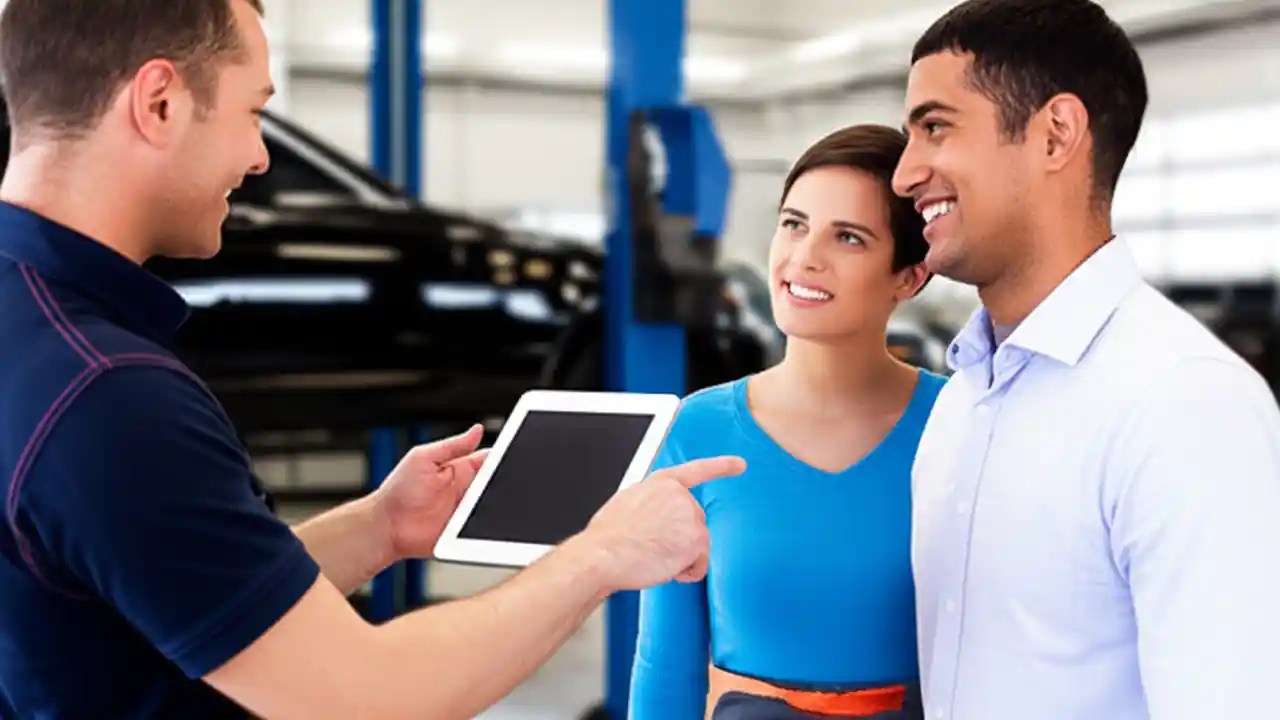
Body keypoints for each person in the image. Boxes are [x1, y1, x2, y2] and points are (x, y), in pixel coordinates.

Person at [0, 1, 747, 718]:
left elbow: (190, 586)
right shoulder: (110, 396)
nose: (258, 157)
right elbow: (370, 698)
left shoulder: (31, 326)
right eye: (253, 112)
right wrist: (604, 554)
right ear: (159, 101)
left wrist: (381, 528)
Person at [893, 1, 1280, 719]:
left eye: (935, 127)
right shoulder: (962, 399)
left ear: (1055, 135)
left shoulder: (1185, 405)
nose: (905, 173)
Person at [628, 124, 947, 720]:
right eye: (794, 224)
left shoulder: (960, 427)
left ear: (909, 276)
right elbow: (664, 663)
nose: (805, 258)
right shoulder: (698, 431)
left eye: (848, 238)